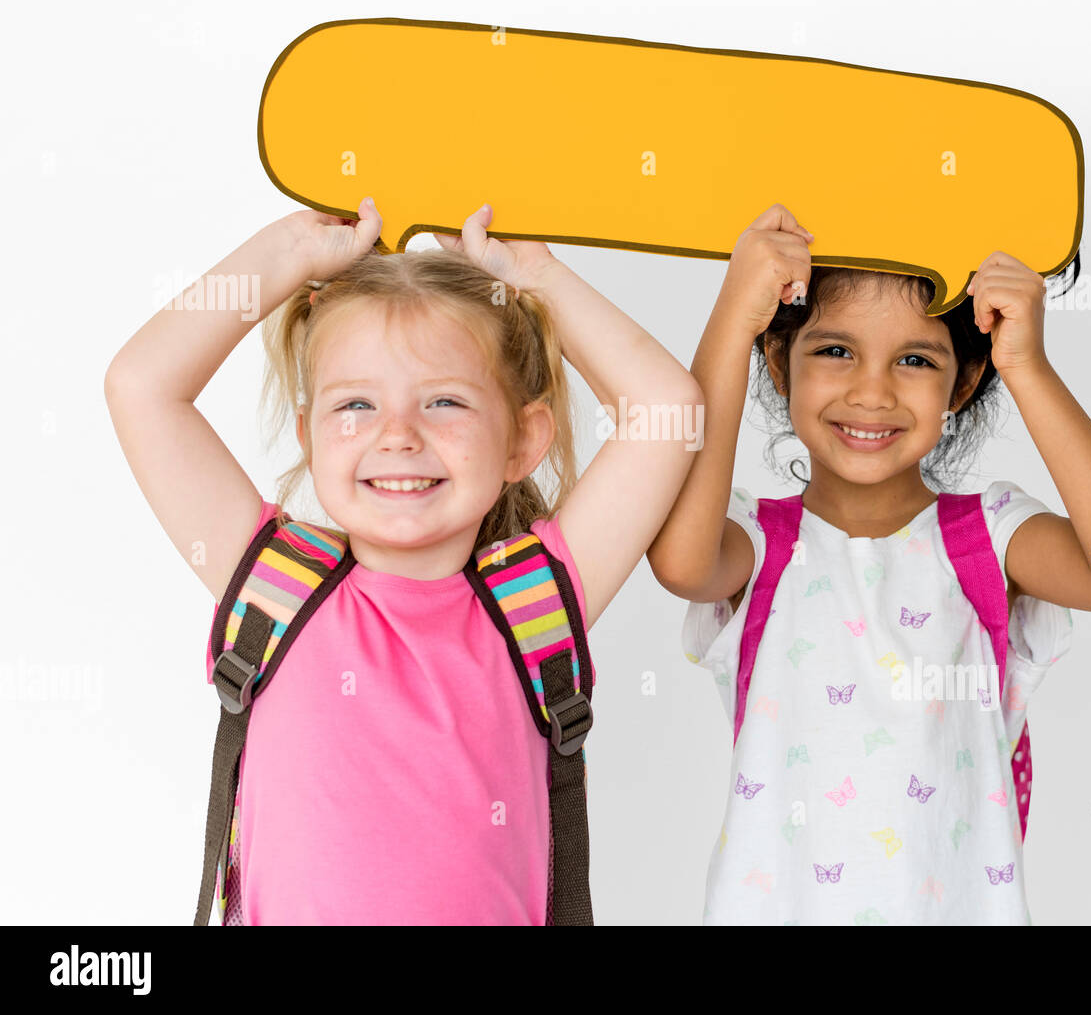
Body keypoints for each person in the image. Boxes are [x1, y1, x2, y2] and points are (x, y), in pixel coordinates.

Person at [104, 197, 702, 924]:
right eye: (355, 404)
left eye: (444, 401)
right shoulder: (274, 584)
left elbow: (668, 409)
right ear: (309, 435)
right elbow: (140, 387)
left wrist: (535, 275)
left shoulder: (533, 602)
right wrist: (288, 249)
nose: (397, 435)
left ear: (523, 438)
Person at [647, 203, 1091, 924]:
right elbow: (679, 560)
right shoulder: (757, 543)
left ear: (962, 383)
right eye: (835, 350)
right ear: (778, 362)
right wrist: (733, 320)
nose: (873, 391)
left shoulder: (986, 539)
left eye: (915, 360)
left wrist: (1028, 365)